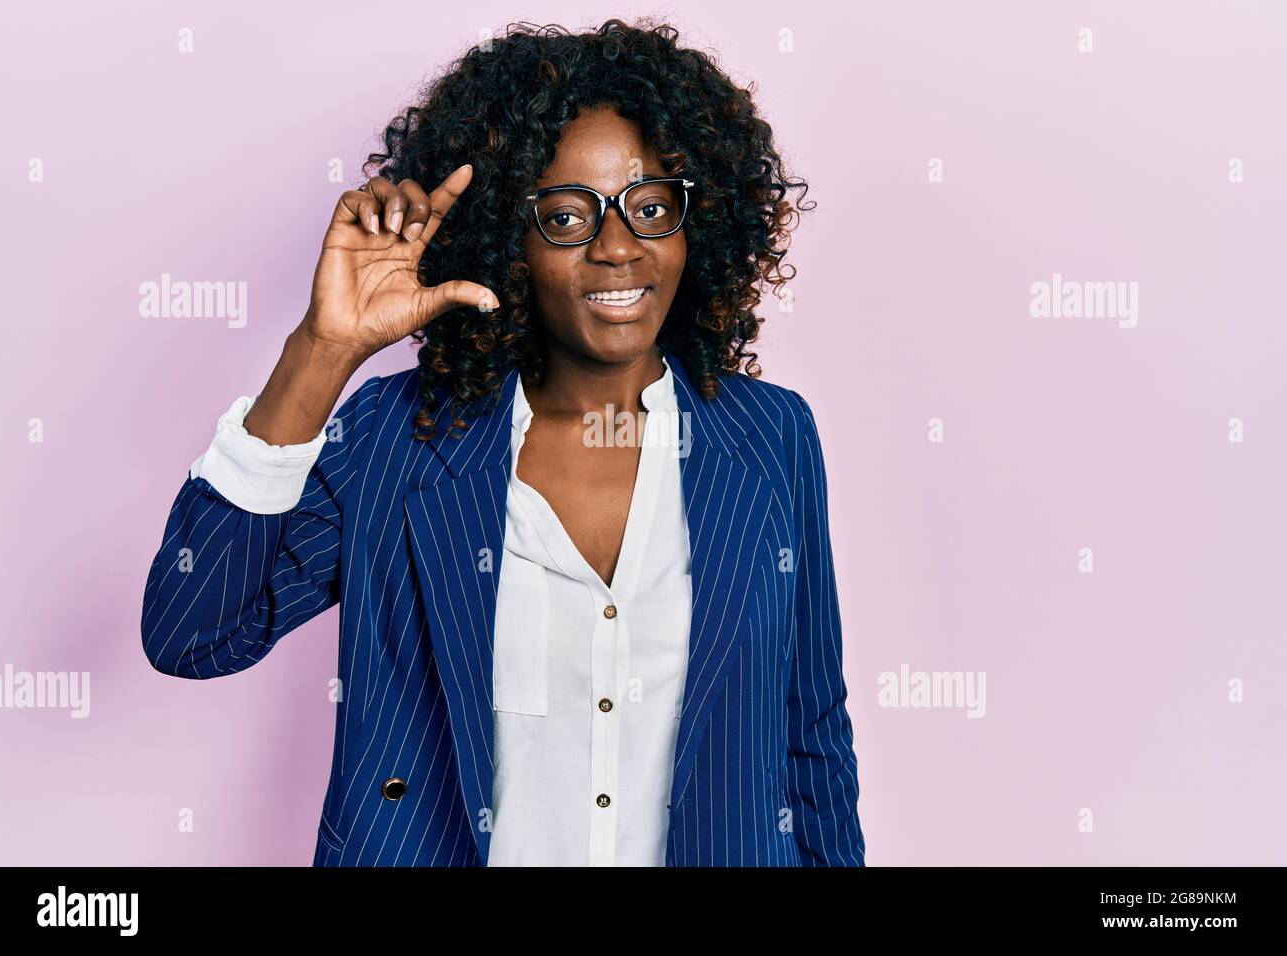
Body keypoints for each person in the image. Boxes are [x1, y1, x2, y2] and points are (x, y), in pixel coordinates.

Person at [140, 17, 865, 867]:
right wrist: (323, 350)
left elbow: (811, 732)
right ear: (504, 238)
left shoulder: (772, 437)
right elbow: (191, 631)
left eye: (652, 208)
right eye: (566, 216)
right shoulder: (397, 441)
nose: (618, 247)